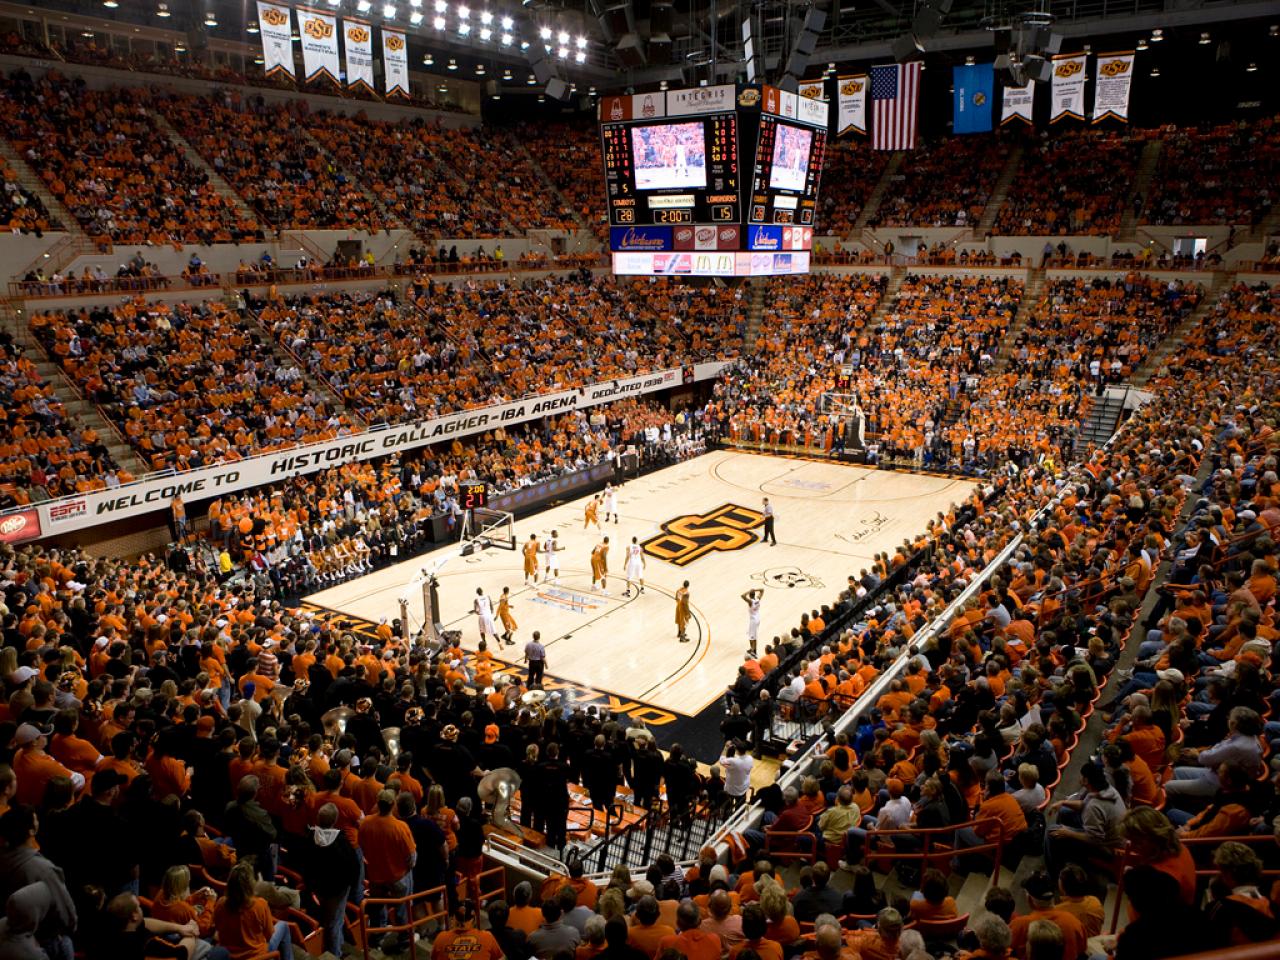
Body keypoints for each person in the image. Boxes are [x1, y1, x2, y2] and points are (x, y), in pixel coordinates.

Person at [300, 802, 359, 958]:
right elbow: (353, 867)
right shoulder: (341, 842)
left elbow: (305, 863)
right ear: (335, 820)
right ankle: (334, 953)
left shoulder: (310, 837)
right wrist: (352, 885)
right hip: (336, 890)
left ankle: (334, 947)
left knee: (330, 918)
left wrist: (310, 884)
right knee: (334, 921)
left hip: (319, 887)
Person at [212, 862, 293, 960]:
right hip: (258, 956)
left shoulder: (221, 903)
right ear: (251, 884)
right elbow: (269, 935)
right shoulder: (260, 904)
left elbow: (216, 927)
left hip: (229, 955)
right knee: (283, 925)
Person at [431, 902, 502, 960]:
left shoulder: (440, 938)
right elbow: (499, 958)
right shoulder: (487, 937)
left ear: (453, 918)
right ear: (475, 918)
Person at [742, 590, 763, 655]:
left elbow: (742, 596)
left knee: (751, 637)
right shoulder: (758, 599)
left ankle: (753, 651)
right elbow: (762, 590)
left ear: (750, 595)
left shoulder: (750, 602)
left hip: (753, 620)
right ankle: (753, 650)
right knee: (754, 636)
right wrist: (754, 590)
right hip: (757, 618)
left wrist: (748, 591)